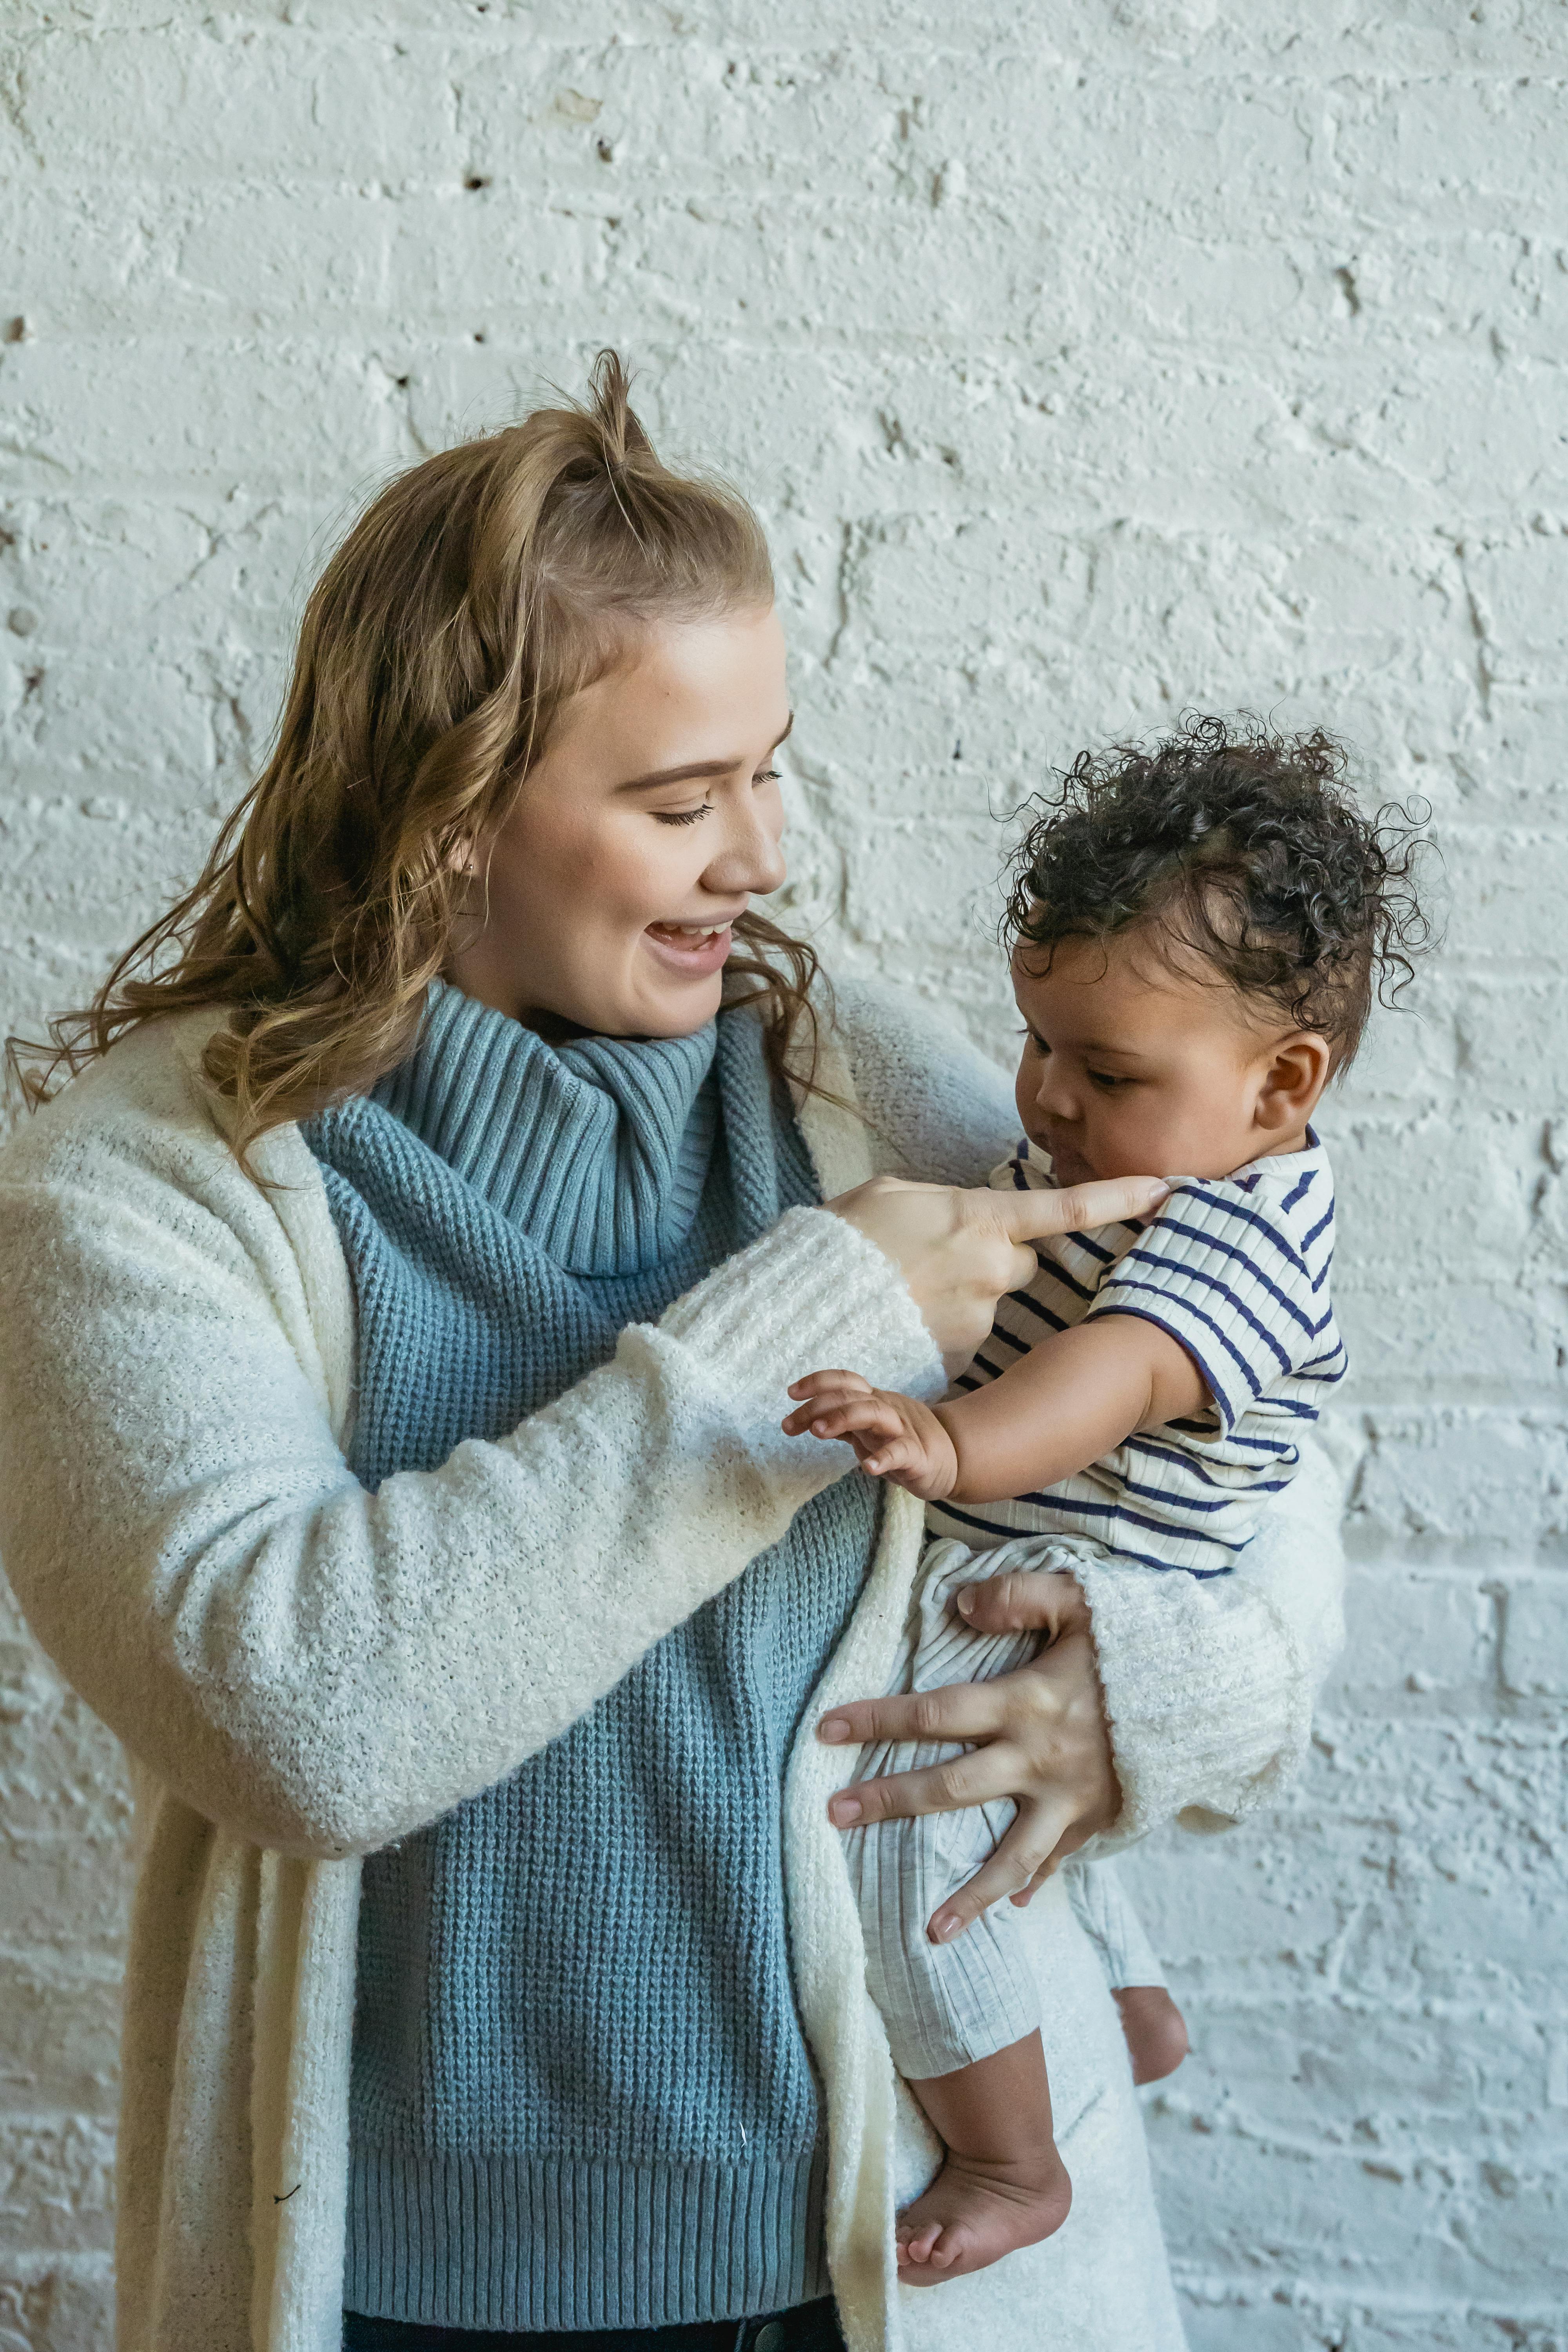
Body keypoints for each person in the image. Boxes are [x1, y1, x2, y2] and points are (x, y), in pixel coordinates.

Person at [0, 356, 1345, 2352]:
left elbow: (1264, 1403)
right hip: (402, 2298)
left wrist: (1152, 1695)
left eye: (767, 771)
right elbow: (293, 1721)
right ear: (450, 815)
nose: (763, 857)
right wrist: (815, 1314)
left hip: (911, 2265)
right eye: (679, 799)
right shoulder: (143, 1189)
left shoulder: (849, 1081)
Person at [788, 719, 1428, 2281]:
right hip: (1052, 1533)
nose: (1051, 1100)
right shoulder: (1146, 1155)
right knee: (1044, 1813)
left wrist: (948, 1445)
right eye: (1038, 1045)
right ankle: (1127, 1998)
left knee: (908, 1844)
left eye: (1109, 1071)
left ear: (1283, 1084)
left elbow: (1114, 1373)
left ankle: (1010, 2160)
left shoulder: (1238, 1231)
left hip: (1069, 1567)